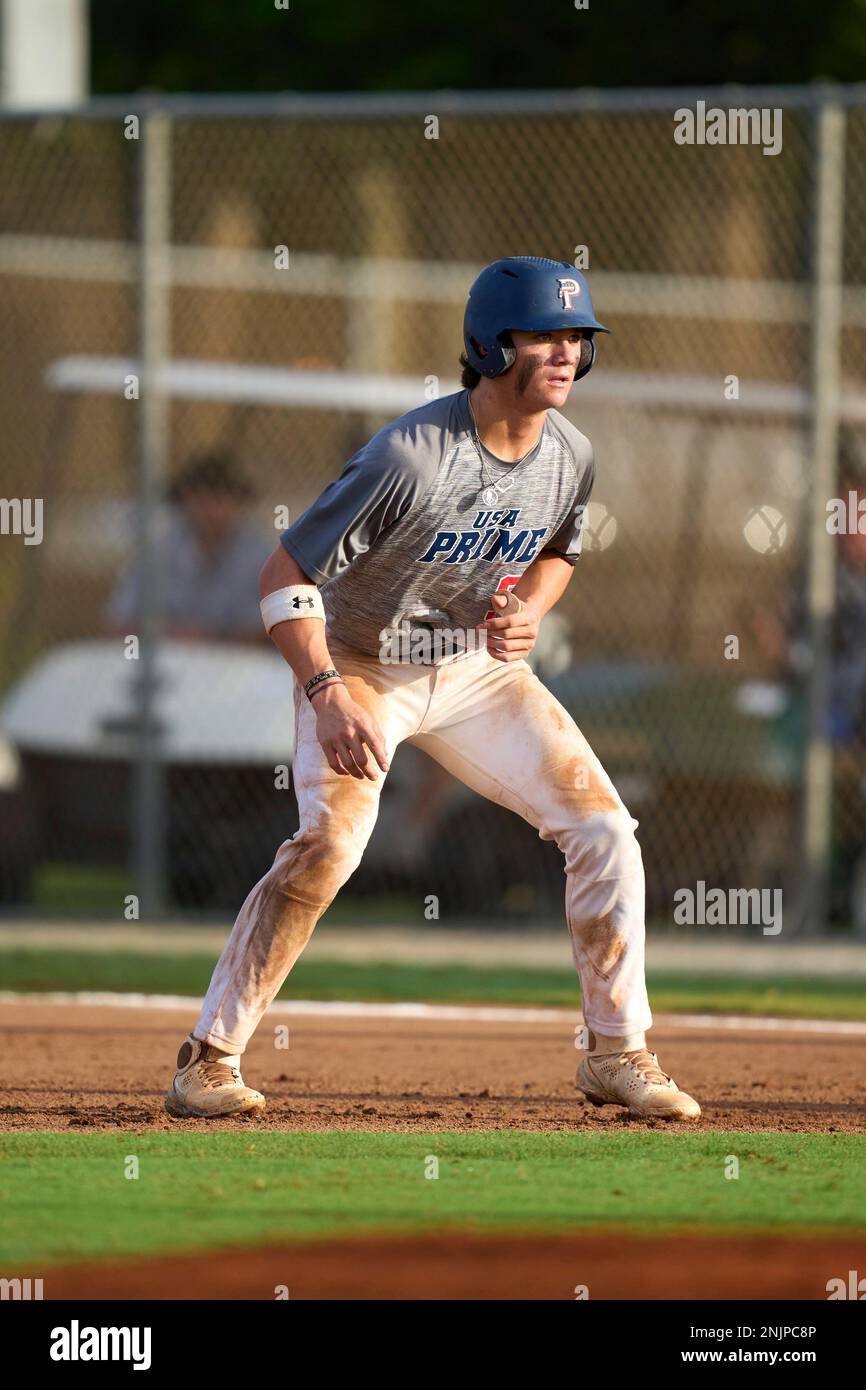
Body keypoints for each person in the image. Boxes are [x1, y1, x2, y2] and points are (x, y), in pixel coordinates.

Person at [165, 256, 701, 1122]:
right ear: (491, 346)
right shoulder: (412, 456)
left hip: (476, 673)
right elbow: (282, 575)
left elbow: (562, 548)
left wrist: (529, 604)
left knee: (604, 828)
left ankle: (617, 1054)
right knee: (332, 847)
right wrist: (327, 690)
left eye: (577, 337)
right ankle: (208, 1061)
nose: (566, 352)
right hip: (361, 665)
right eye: (545, 335)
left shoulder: (572, 454)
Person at [105, 453, 273, 642]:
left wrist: (209, 636)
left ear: (239, 502)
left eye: (220, 497)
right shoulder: (158, 548)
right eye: (201, 496)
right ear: (184, 499)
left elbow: (272, 632)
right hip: (169, 658)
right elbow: (119, 622)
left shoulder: (261, 554)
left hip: (239, 664)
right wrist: (172, 634)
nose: (210, 508)